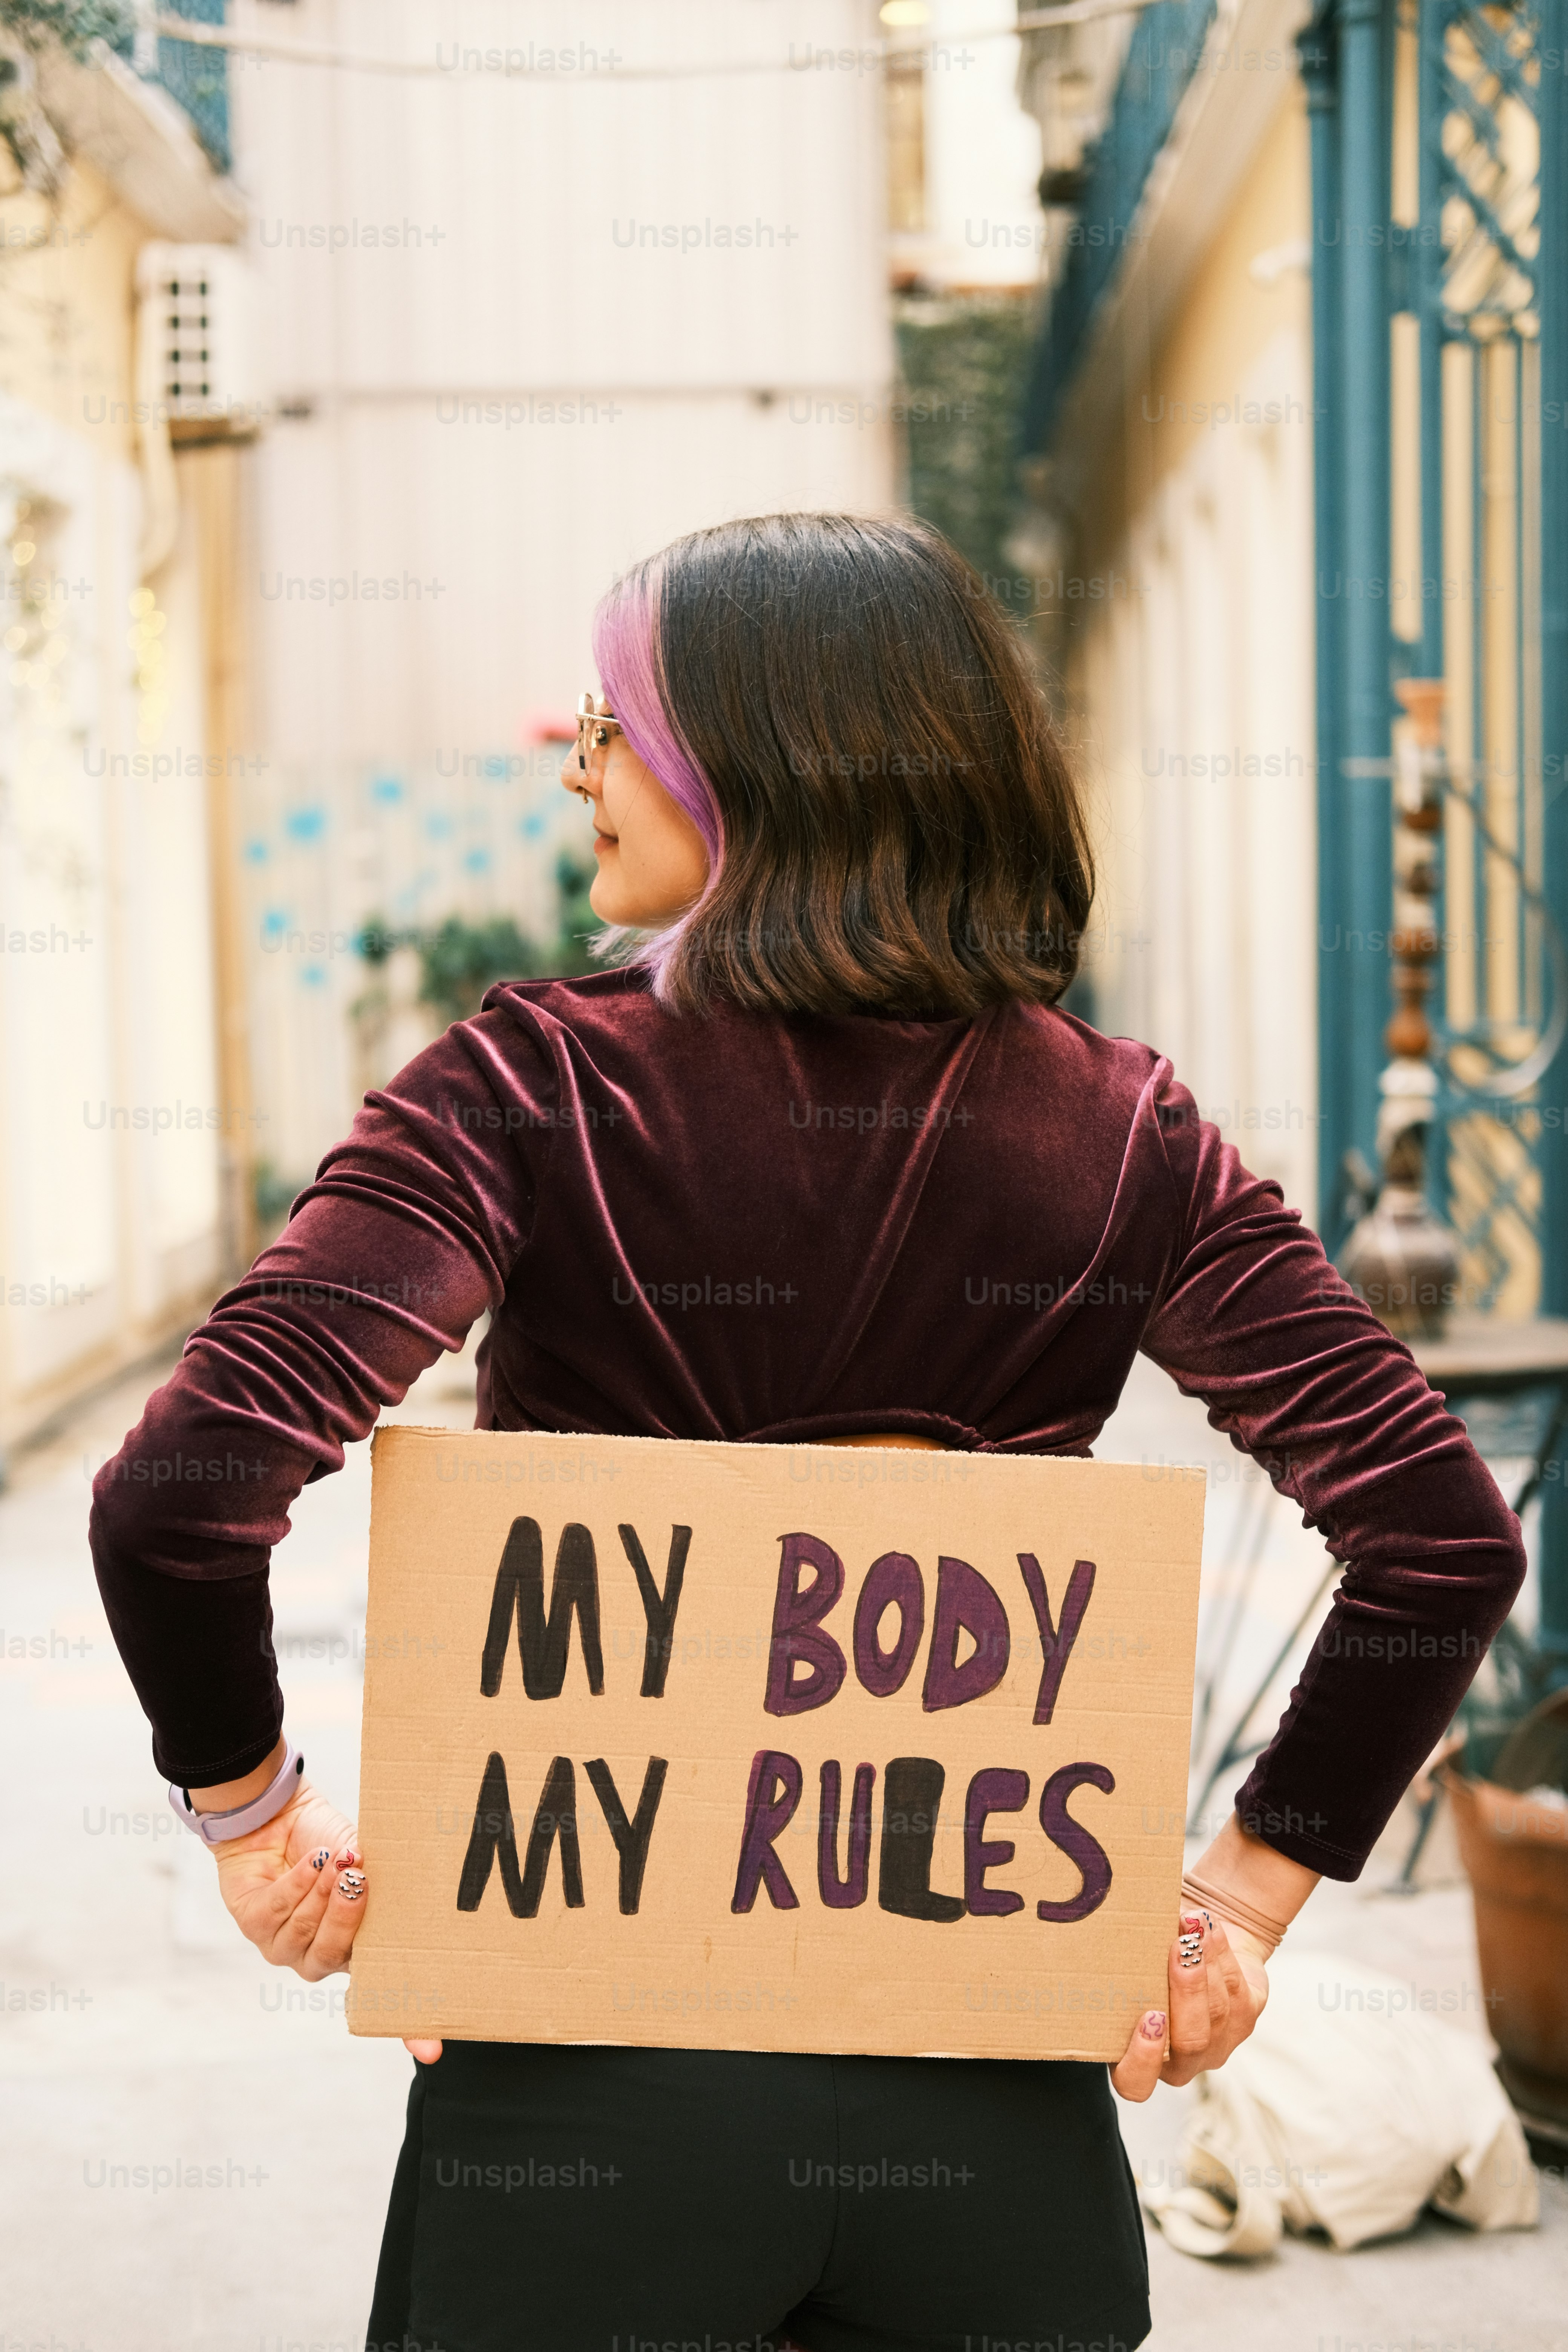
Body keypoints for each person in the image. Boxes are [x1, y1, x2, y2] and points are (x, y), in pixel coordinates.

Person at [90, 513, 1524, 2352]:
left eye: (617, 722)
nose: (584, 768)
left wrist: (257, 1822)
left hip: (584, 2097)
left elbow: (176, 1502)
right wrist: (1233, 1909)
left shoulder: (523, 1089)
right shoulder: (1126, 1131)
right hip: (992, 2106)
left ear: (753, 768)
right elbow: (1439, 1537)